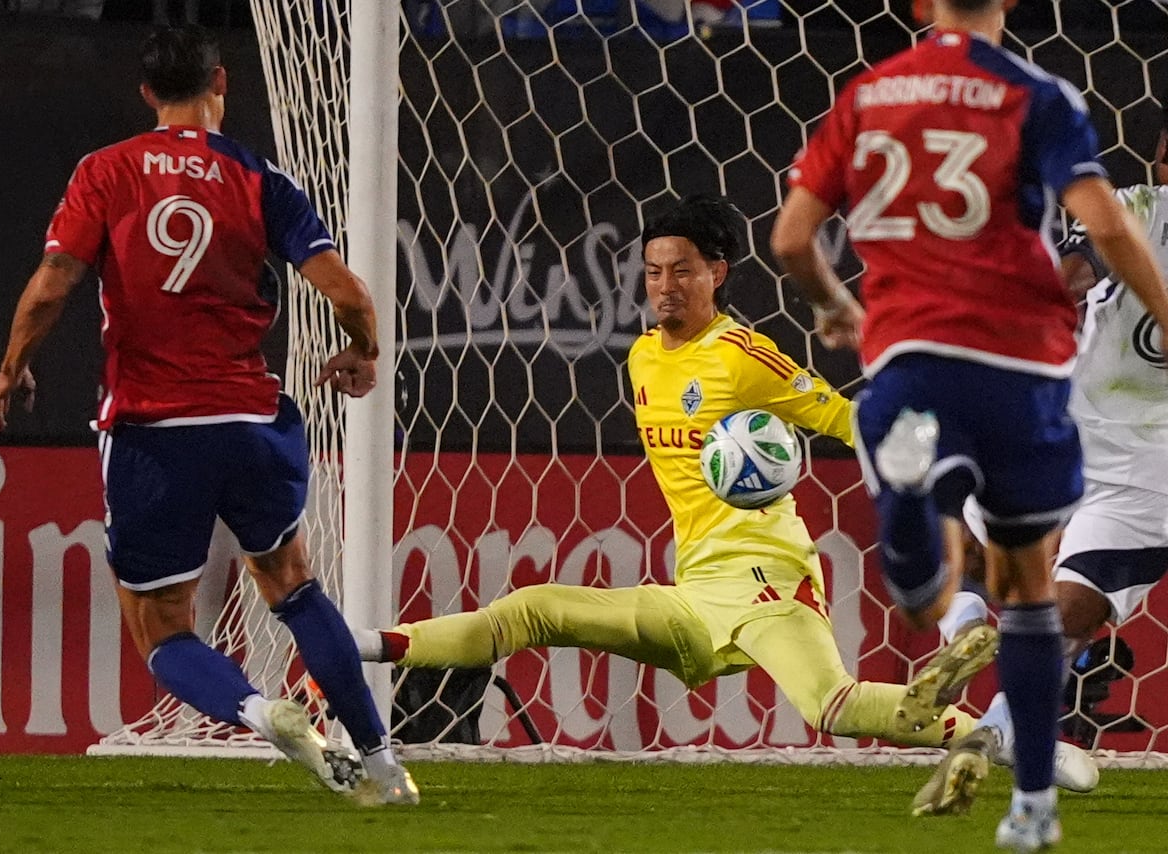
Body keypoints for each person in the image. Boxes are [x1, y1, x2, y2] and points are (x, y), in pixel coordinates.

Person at [354, 193, 1022, 756]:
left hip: (769, 579)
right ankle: (360, 646)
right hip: (696, 591)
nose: (665, 286)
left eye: (681, 271)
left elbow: (847, 421)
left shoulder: (744, 357)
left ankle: (1000, 737)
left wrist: (935, 442)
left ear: (717, 273)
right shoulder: (643, 357)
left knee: (832, 704)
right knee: (531, 609)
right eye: (652, 272)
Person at [769, 0, 1168, 848]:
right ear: (1010, 5)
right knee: (1031, 592)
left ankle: (917, 509)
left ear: (920, 7)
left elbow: (794, 238)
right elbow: (1101, 221)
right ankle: (1031, 812)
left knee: (929, 594)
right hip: (1026, 376)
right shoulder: (1038, 93)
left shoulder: (871, 93)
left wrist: (835, 308)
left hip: (911, 357)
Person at [0, 26, 417, 806]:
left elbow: (54, 283)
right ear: (222, 81)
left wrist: (13, 366)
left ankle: (259, 712)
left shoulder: (106, 171)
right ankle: (383, 764)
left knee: (162, 627)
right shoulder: (258, 176)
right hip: (253, 421)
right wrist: (364, 352)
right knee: (292, 585)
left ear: (147, 92)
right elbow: (349, 293)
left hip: (154, 431)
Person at [917, 115, 1168, 817]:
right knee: (1071, 613)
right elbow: (1076, 268)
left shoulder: (1132, 208)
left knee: (988, 556)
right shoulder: (1139, 211)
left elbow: (1069, 274)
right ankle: (996, 711)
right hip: (1143, 466)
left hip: (1074, 432)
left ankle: (977, 666)